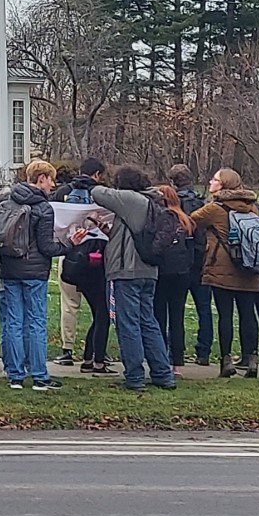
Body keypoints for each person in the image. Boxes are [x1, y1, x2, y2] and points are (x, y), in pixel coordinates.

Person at [0, 159, 80, 392]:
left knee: (13, 322)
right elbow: (47, 247)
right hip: (35, 271)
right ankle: (39, 374)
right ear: (41, 179)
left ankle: (15, 375)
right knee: (36, 323)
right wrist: (70, 242)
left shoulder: (8, 201)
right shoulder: (43, 208)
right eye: (50, 179)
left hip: (10, 268)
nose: (52, 184)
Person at [89, 165, 179, 393]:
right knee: (148, 322)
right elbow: (132, 235)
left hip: (127, 271)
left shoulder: (130, 199)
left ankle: (135, 375)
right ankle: (162, 374)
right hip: (148, 271)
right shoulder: (153, 201)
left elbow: (97, 193)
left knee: (128, 324)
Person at [188, 168, 259, 377]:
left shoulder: (214, 209)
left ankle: (226, 360)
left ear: (224, 185)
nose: (211, 182)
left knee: (225, 315)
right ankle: (252, 359)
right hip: (250, 268)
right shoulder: (252, 208)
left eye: (215, 180)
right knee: (248, 314)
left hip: (223, 270)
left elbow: (193, 219)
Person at [54, 159, 105, 365]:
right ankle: (95, 349)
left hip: (69, 252)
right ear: (97, 175)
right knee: (99, 308)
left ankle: (67, 349)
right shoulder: (103, 194)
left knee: (69, 304)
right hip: (96, 255)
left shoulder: (62, 193)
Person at [170, 163, 215, 363]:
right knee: (204, 309)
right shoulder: (201, 203)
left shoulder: (172, 204)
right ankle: (203, 352)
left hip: (179, 261)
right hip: (200, 260)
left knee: (175, 310)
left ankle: (174, 351)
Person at [152, 183, 200, 367]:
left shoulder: (162, 219)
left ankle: (161, 356)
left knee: (159, 315)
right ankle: (178, 360)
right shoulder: (186, 220)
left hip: (163, 272)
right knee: (177, 317)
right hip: (182, 273)